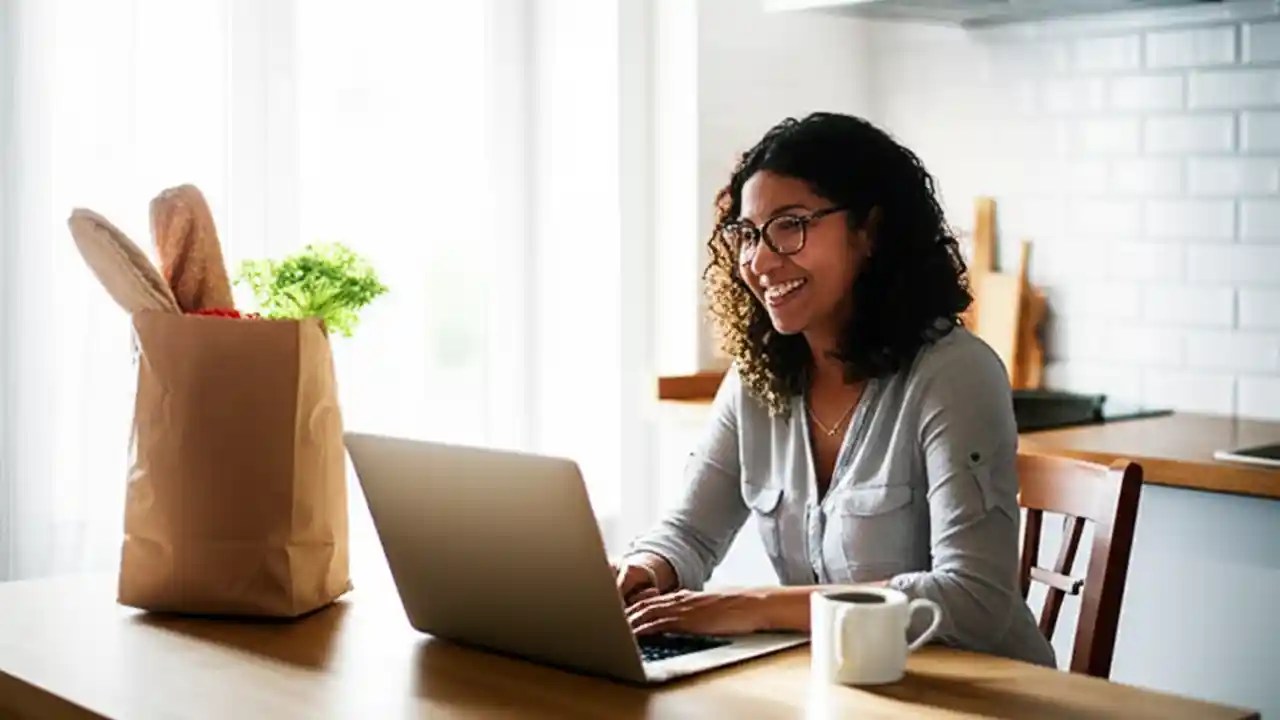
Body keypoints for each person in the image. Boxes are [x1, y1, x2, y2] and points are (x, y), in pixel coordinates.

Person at [614, 112, 1056, 667]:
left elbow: (973, 600)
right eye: (747, 234)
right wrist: (644, 570)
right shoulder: (757, 379)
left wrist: (752, 606)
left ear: (870, 231)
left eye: (790, 225)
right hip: (848, 690)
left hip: (986, 697)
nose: (760, 260)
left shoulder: (955, 375)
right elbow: (690, 533)